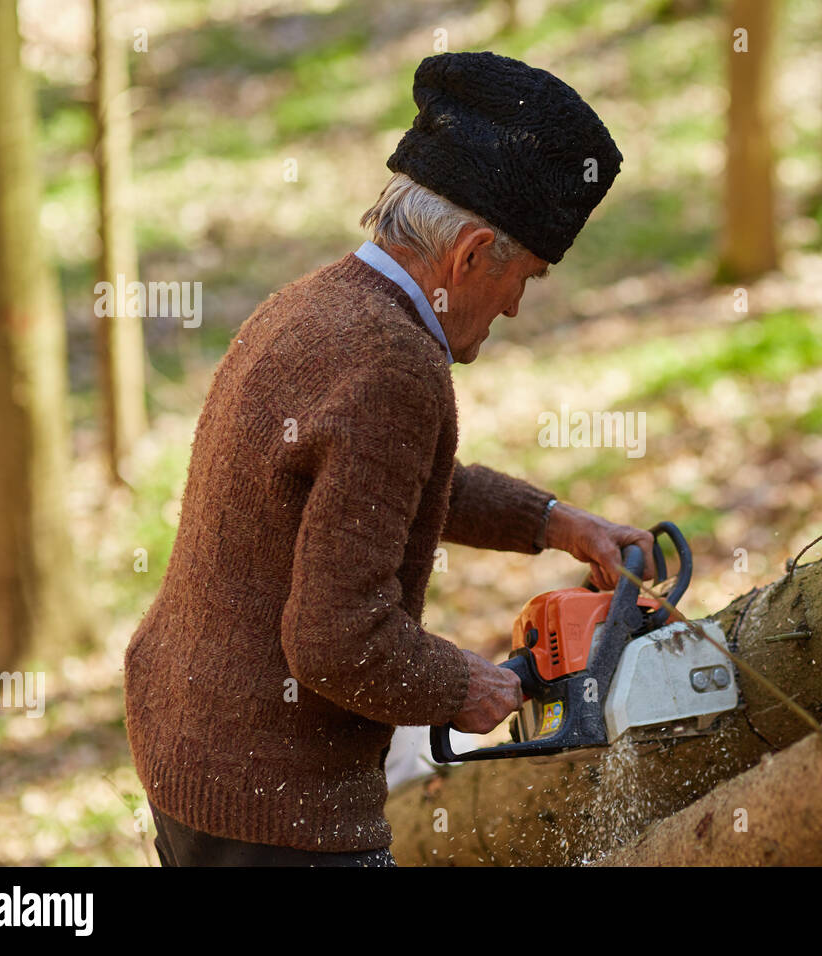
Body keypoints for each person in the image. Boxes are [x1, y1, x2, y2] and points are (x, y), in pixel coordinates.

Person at [124, 50, 656, 866]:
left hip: (193, 741)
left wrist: (554, 523)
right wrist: (469, 687)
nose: (515, 305)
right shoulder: (395, 365)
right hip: (277, 796)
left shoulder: (313, 304)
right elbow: (337, 640)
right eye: (526, 277)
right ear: (472, 252)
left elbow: (381, 485)